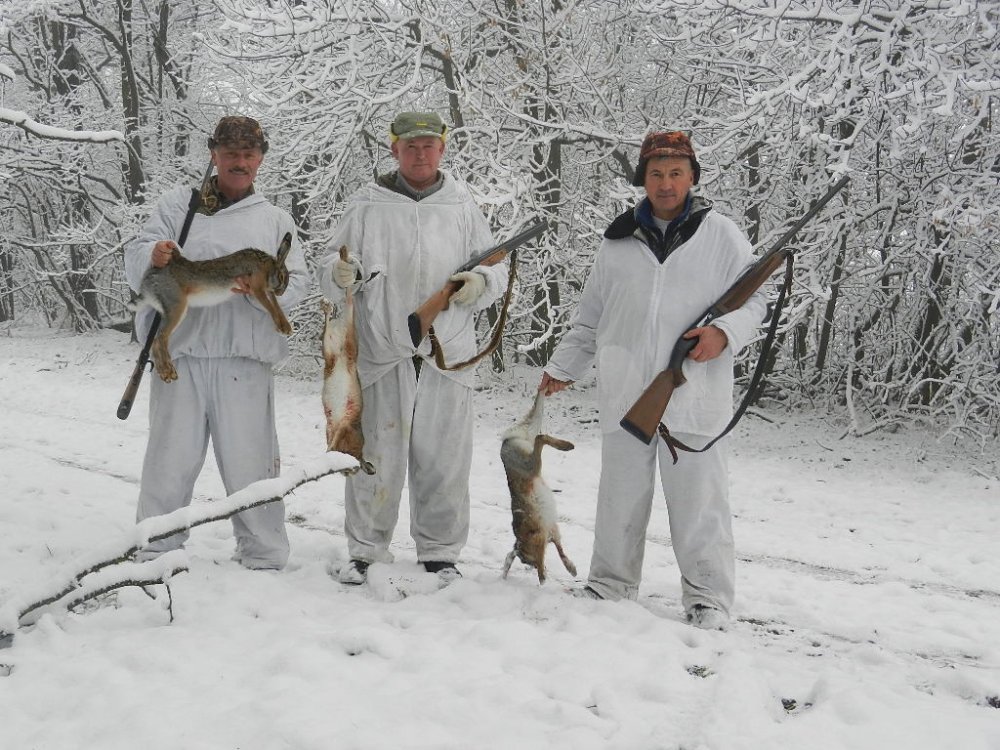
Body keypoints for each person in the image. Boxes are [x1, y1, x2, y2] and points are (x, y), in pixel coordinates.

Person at [539, 131, 766, 629]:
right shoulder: (617, 242)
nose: (666, 184)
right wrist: (562, 367)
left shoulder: (722, 235)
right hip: (625, 391)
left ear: (692, 177)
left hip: (695, 392)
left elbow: (755, 301)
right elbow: (590, 316)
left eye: (677, 173)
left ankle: (708, 599)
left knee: (700, 501)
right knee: (620, 495)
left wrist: (723, 334)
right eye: (657, 174)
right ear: (643, 178)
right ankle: (609, 584)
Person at [318, 111, 507, 586]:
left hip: (450, 355)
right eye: (410, 146)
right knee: (375, 457)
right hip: (385, 352)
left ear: (442, 149)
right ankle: (365, 550)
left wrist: (478, 282)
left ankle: (440, 552)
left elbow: (496, 268)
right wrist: (342, 274)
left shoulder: (462, 205)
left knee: (445, 461)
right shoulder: (366, 205)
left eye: (428, 145)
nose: (420, 154)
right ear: (394, 149)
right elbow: (332, 265)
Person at [124, 115, 309, 570]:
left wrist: (271, 291)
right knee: (170, 459)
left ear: (260, 158)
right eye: (230, 154)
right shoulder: (177, 206)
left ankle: (263, 553)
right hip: (181, 357)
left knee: (253, 464)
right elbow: (137, 260)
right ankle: (156, 550)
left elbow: (298, 281)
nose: (239, 162)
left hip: (244, 359)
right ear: (214, 155)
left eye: (248, 154)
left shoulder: (275, 219)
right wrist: (152, 254)